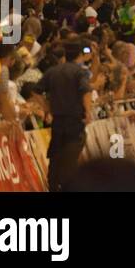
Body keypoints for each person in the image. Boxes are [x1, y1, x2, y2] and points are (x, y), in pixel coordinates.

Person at [38, 40, 93, 191]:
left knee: (55, 156)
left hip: (57, 121)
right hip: (74, 121)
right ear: (80, 54)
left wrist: (46, 108)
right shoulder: (80, 72)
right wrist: (88, 111)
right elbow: (86, 91)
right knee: (70, 158)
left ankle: (54, 186)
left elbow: (36, 91)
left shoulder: (53, 71)